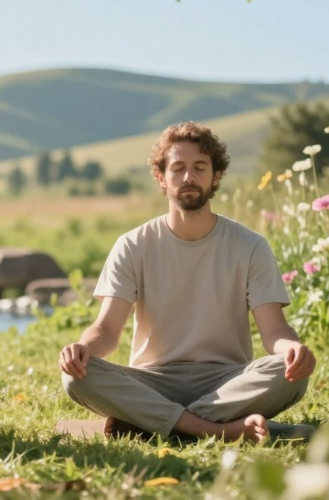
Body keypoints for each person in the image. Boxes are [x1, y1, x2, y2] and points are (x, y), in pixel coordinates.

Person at [59, 122, 315, 443]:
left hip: (227, 382)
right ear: (161, 177)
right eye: (178, 168)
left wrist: (292, 349)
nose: (188, 177)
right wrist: (82, 348)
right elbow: (107, 331)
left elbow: (274, 330)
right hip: (153, 381)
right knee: (77, 377)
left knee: (289, 374)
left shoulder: (250, 246)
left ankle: (150, 422)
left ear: (216, 176)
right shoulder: (132, 245)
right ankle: (215, 429)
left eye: (200, 167)